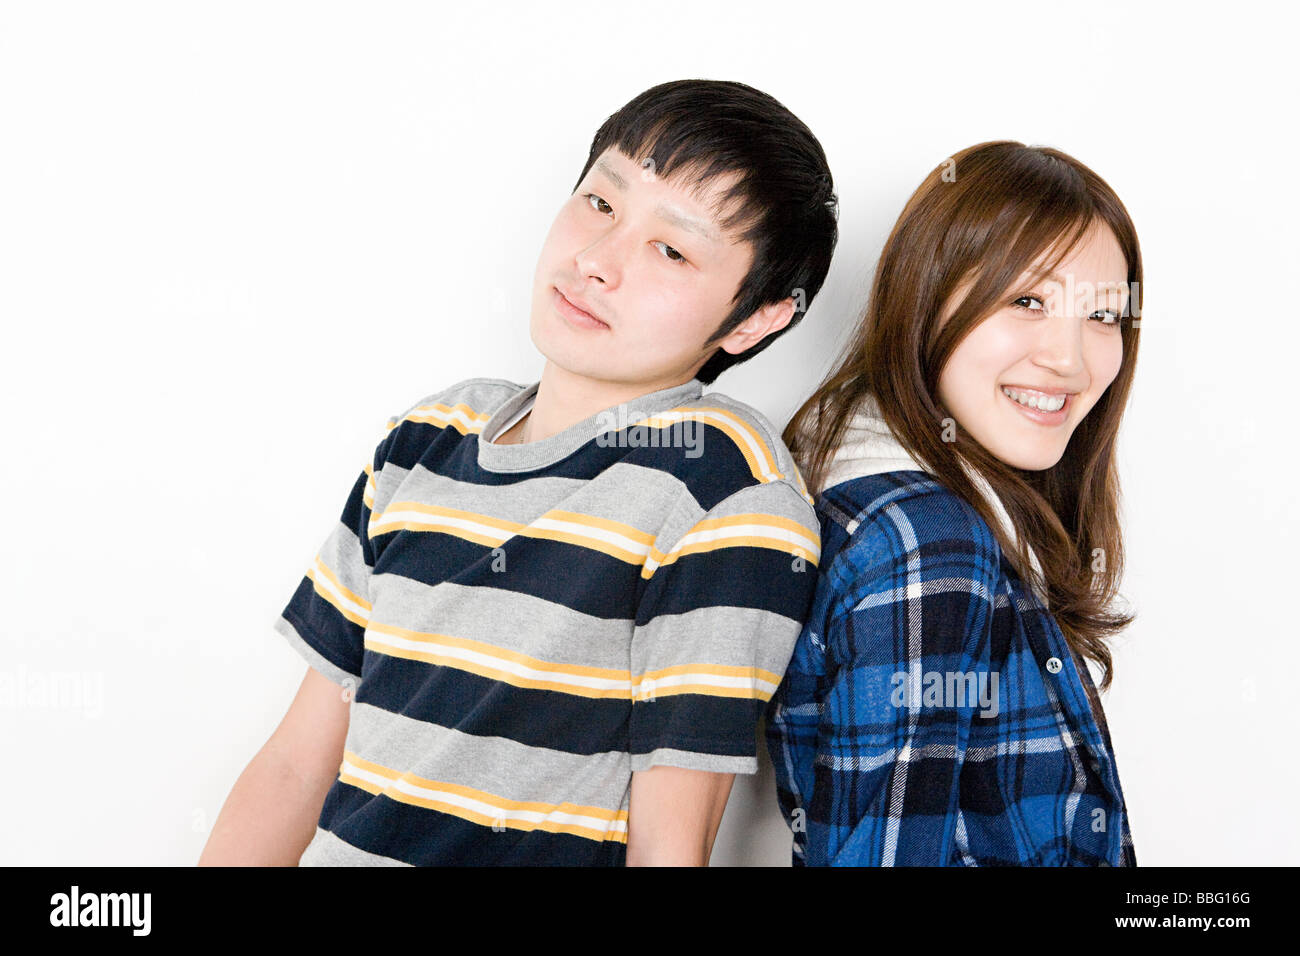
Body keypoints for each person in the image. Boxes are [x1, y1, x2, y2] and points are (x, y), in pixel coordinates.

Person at [198, 79, 838, 866]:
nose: (597, 262)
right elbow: (297, 762)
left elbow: (673, 840)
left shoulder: (725, 491)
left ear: (756, 319)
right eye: (602, 204)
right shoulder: (427, 438)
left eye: (670, 249)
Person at [766, 141, 1140, 866]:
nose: (1071, 358)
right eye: (1027, 300)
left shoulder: (901, 501)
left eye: (1104, 316)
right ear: (925, 298)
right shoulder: (928, 543)